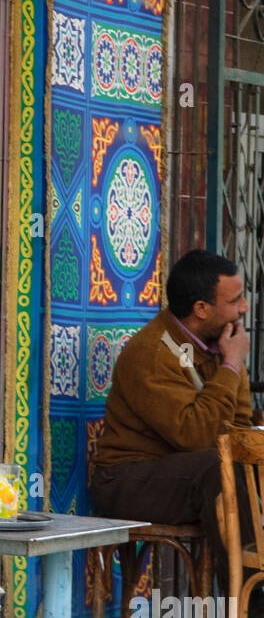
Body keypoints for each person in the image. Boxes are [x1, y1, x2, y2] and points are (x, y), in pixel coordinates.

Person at [90, 249, 255, 590]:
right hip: (127, 481)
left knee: (242, 465)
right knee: (218, 467)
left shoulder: (218, 345)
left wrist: (231, 366)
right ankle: (252, 596)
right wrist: (231, 366)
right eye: (235, 300)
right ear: (201, 309)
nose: (244, 308)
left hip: (184, 473)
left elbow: (237, 428)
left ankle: (254, 584)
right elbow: (195, 435)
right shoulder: (151, 352)